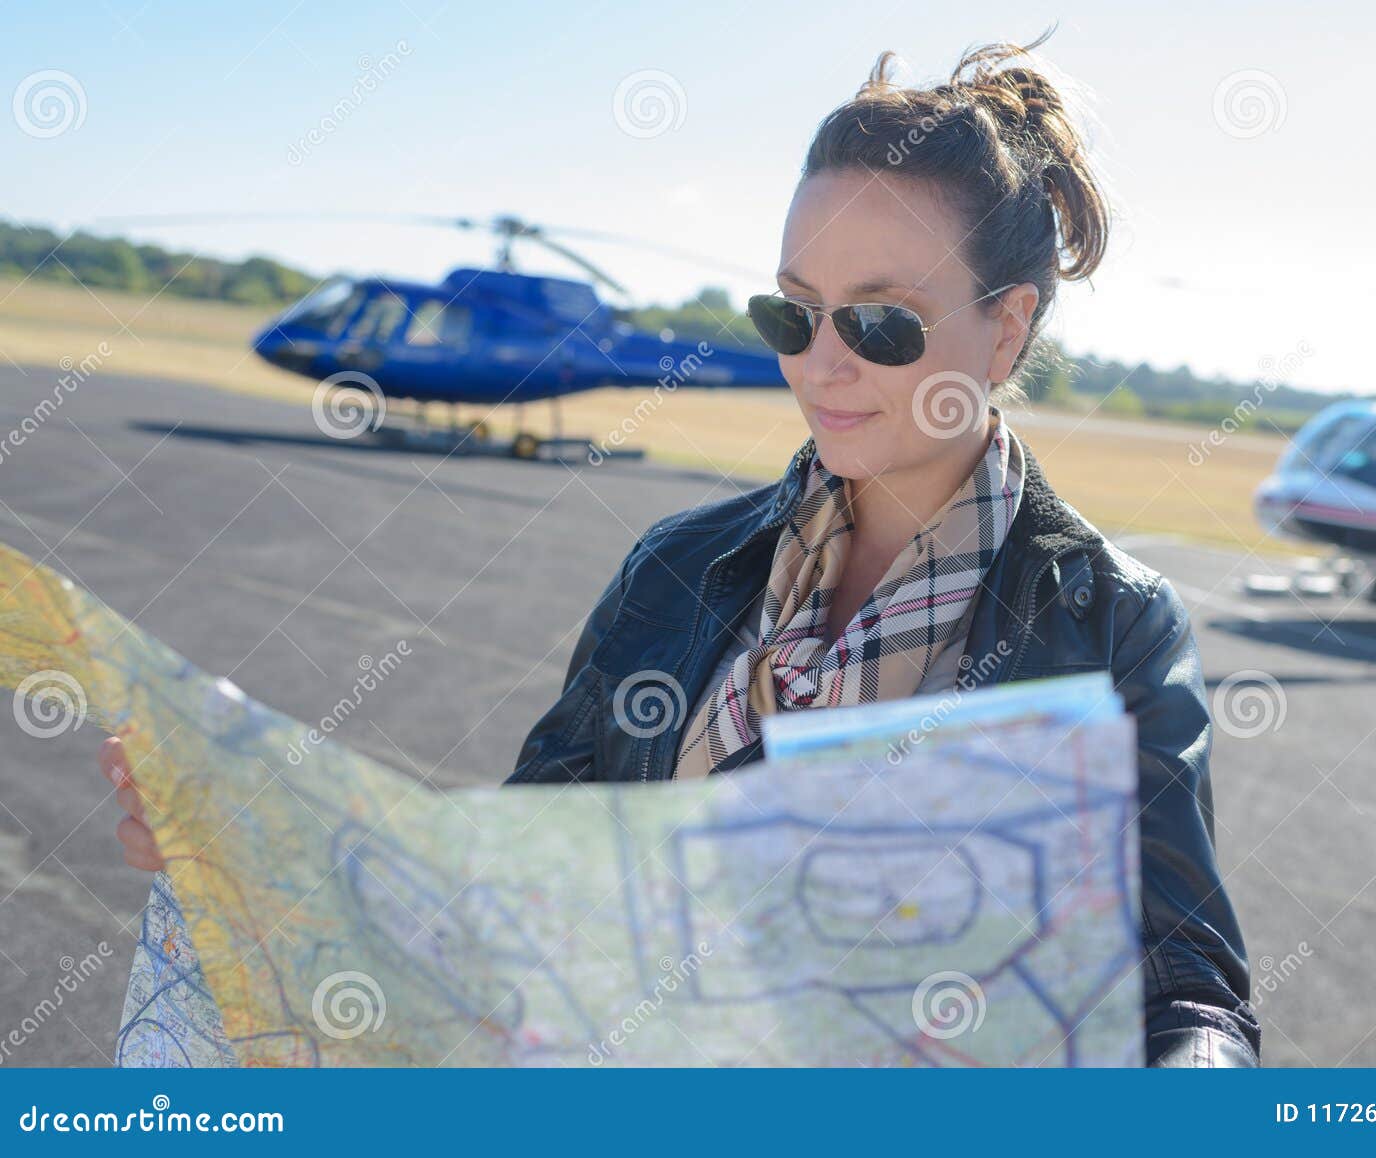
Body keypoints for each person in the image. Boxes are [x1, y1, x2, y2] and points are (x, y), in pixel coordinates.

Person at [103, 30, 1259, 1067]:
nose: (820, 363)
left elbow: (1186, 989)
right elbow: (526, 869)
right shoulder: (676, 565)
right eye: (790, 313)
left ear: (1005, 329)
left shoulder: (1109, 621)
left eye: (879, 321)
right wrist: (279, 842)